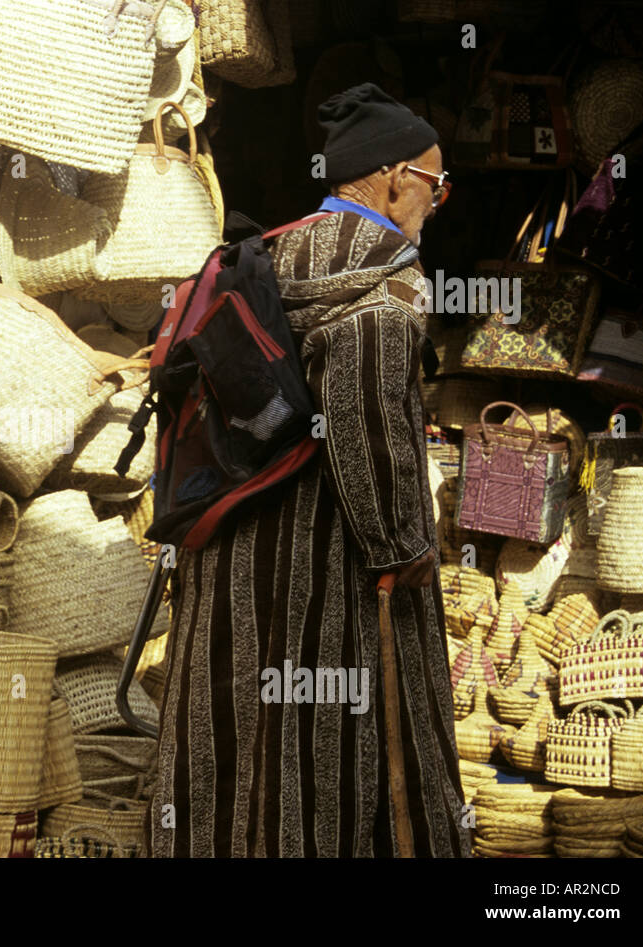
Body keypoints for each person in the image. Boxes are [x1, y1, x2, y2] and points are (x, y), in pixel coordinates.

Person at [150, 83, 471, 858]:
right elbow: (366, 426)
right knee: (325, 744)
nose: (439, 202)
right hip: (328, 566)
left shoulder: (268, 255)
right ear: (396, 178)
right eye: (438, 184)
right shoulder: (387, 274)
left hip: (230, 553)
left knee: (231, 733)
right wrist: (402, 549)